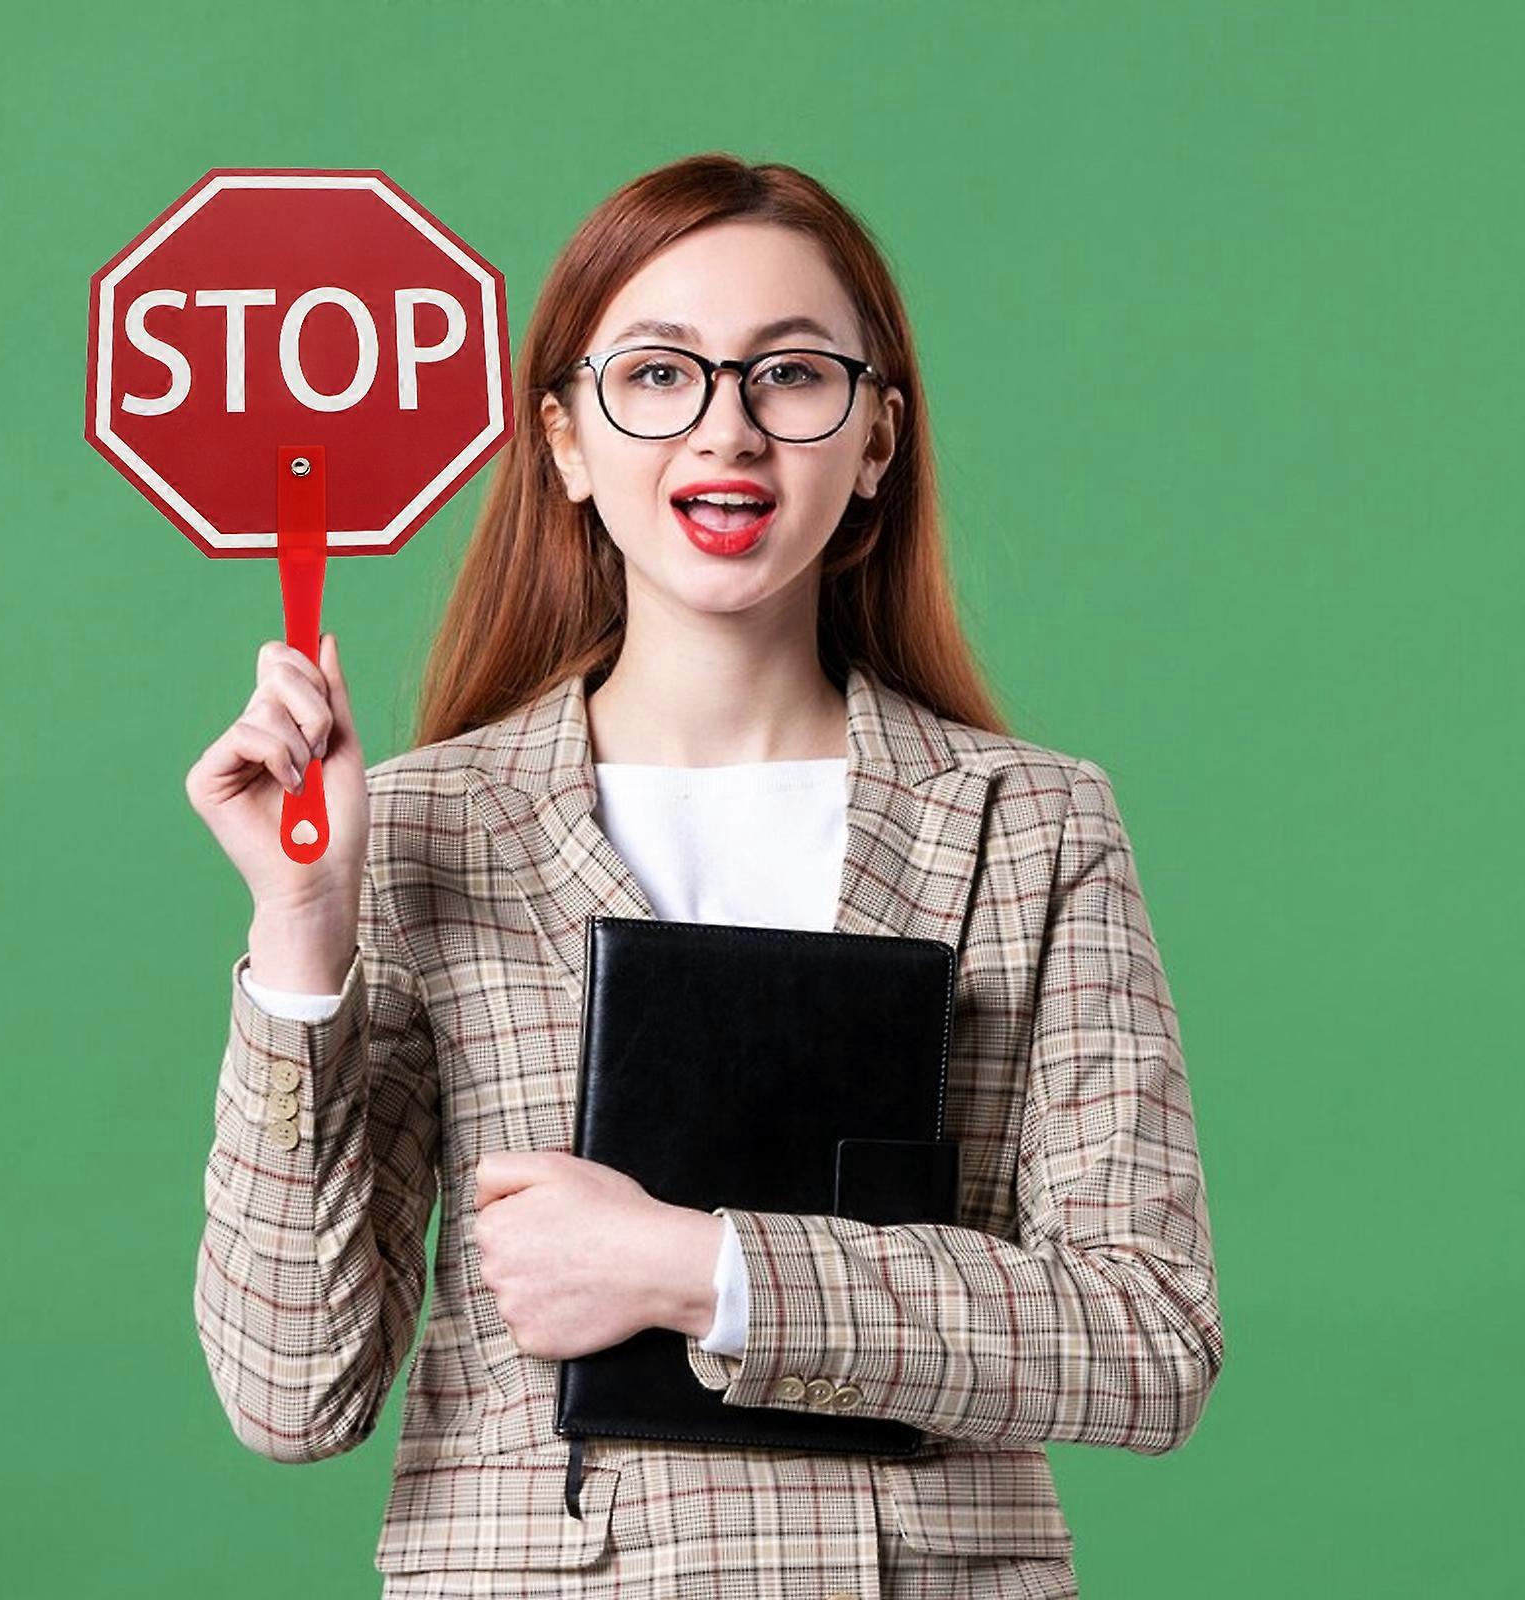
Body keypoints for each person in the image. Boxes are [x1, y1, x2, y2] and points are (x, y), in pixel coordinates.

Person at [186, 152, 1222, 1600]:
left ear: (875, 440)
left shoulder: (1028, 825)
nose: (724, 432)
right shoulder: (425, 829)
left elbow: (1148, 1338)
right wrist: (302, 935)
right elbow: (292, 1394)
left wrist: (700, 1268)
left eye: (791, 377)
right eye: (658, 375)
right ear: (562, 439)